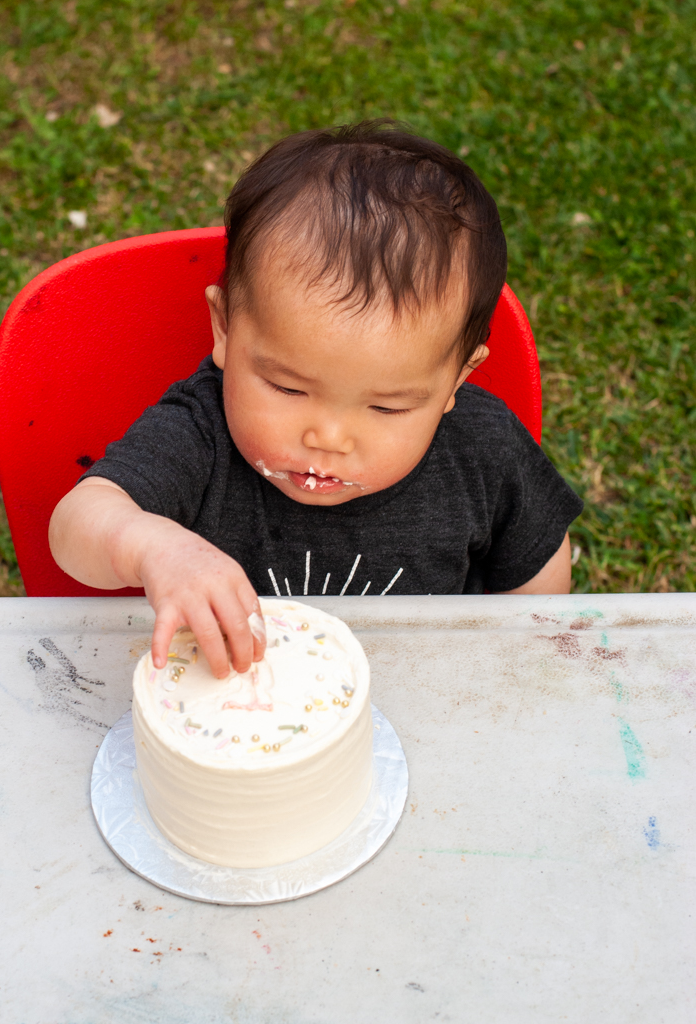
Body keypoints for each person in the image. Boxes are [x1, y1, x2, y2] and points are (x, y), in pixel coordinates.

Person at [49, 120, 583, 680]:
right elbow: (74, 526)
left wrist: (525, 663)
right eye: (287, 387)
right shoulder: (201, 433)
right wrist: (153, 547)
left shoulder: (483, 450)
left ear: (456, 379)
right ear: (226, 329)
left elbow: (537, 581)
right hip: (233, 712)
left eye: (388, 407)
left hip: (428, 698)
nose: (327, 437)